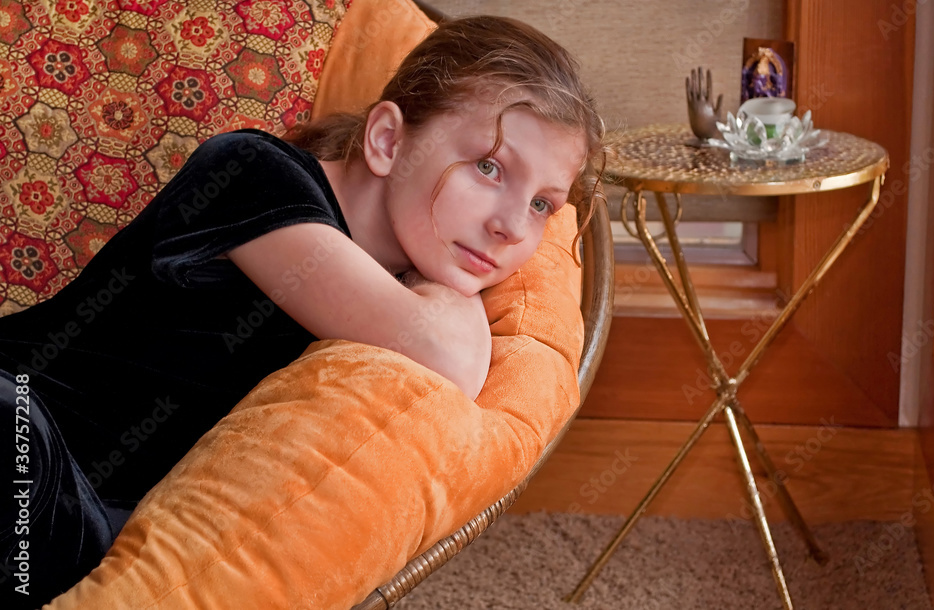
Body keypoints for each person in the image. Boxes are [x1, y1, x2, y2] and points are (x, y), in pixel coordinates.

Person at [0, 14, 605, 608]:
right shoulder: (253, 174)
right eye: (488, 167)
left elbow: (450, 366)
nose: (508, 227)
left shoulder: (407, 286)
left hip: (78, 524)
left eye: (542, 205)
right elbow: (444, 354)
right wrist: (449, 291)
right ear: (388, 141)